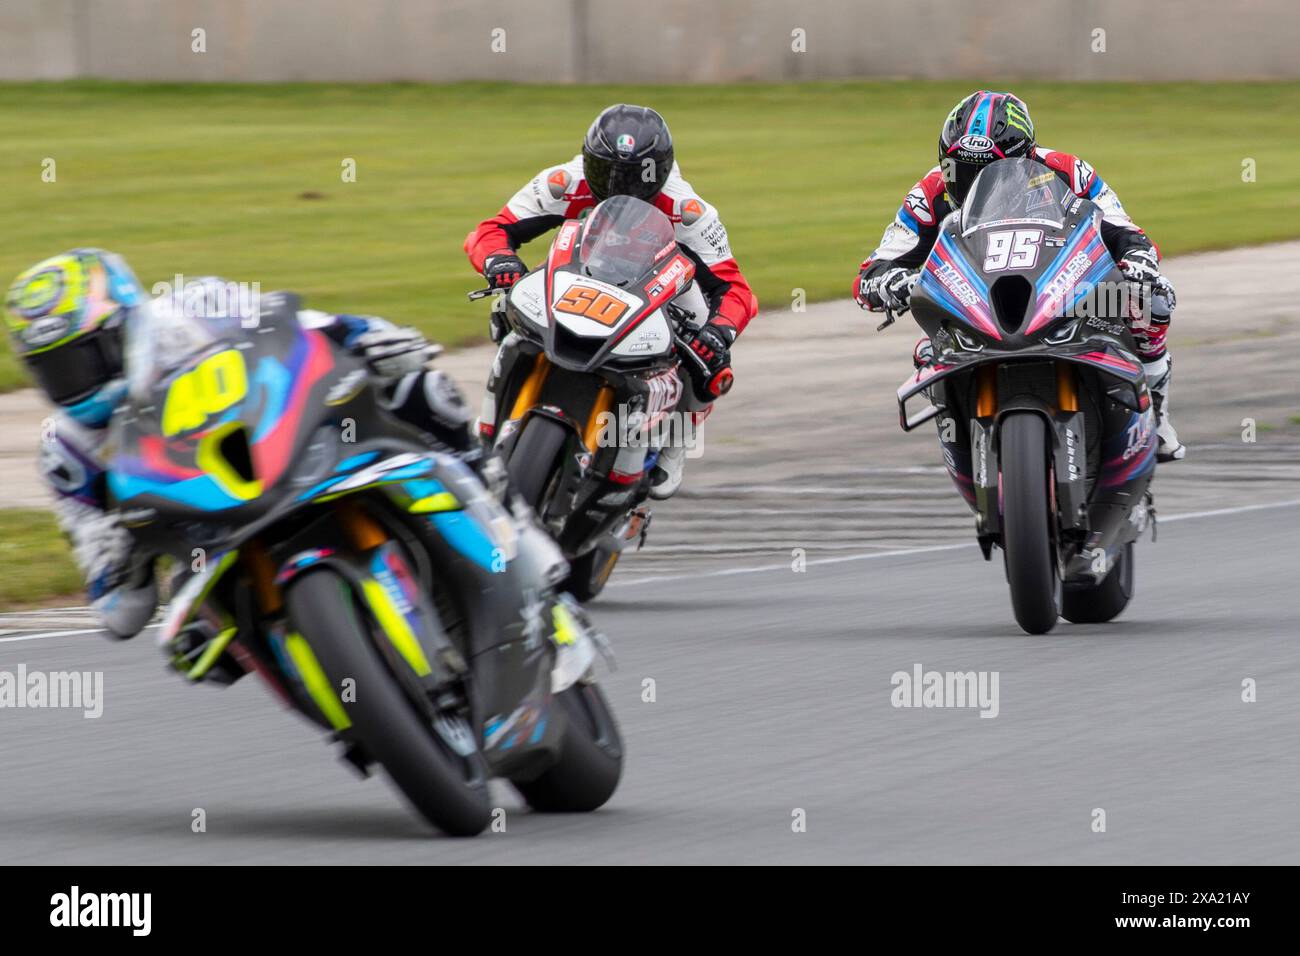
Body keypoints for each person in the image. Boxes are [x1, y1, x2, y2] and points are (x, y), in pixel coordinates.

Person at [4, 249, 563, 639]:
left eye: (83, 357)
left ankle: (512, 519)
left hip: (280, 449)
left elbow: (296, 323)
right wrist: (120, 563)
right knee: (193, 643)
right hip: (205, 537)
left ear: (127, 321)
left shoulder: (192, 308)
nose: (74, 381)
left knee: (423, 388)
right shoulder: (66, 454)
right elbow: (118, 610)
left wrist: (366, 334)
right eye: (54, 370)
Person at [854, 90, 1184, 461]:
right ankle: (960, 441)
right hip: (974, 301)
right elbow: (873, 269)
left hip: (1066, 290)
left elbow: (1126, 232)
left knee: (1151, 302)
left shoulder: (1068, 170)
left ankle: (1156, 414)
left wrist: (1137, 262)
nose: (972, 183)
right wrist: (892, 283)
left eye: (989, 172)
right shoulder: (929, 192)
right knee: (927, 351)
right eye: (959, 169)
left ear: (1025, 157)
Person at [464, 103, 759, 496]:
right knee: (507, 306)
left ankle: (675, 443)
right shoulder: (563, 182)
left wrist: (718, 333)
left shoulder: (687, 212)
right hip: (580, 272)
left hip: (657, 289)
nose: (619, 185)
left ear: (661, 172)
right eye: (607, 172)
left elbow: (736, 291)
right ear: (588, 162)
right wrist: (499, 260)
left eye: (634, 177)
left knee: (709, 358)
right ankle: (487, 423)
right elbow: (492, 230)